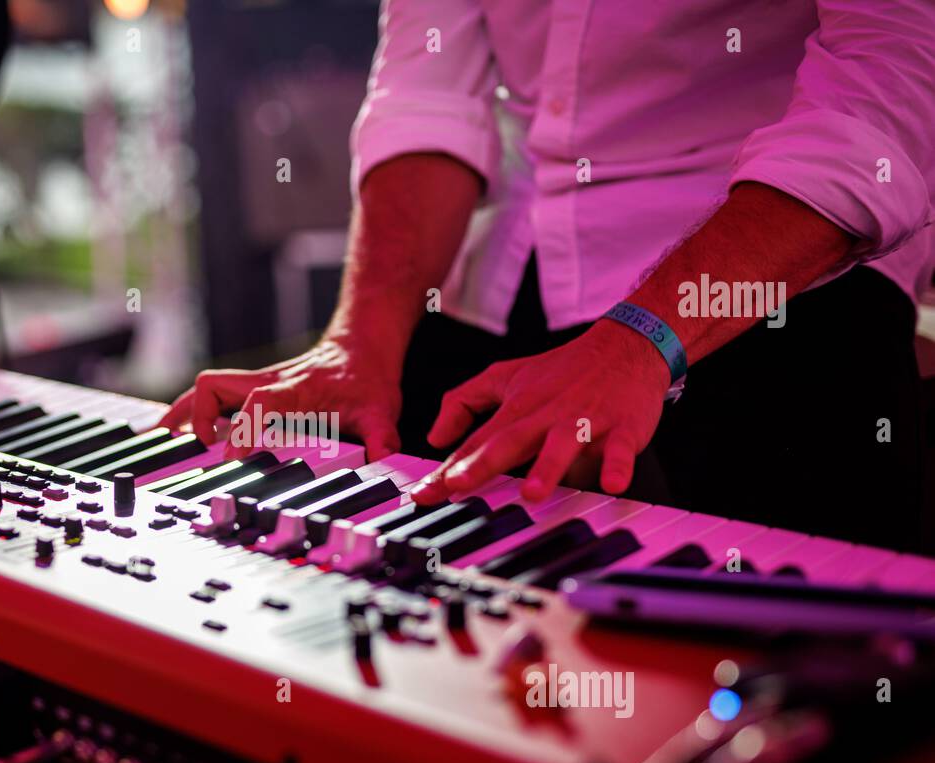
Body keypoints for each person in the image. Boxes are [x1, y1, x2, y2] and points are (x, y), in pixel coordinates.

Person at [161, 1, 934, 552]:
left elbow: (889, 90)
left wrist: (640, 340)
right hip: (500, 284)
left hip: (781, 290)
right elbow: (427, 90)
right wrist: (357, 342)